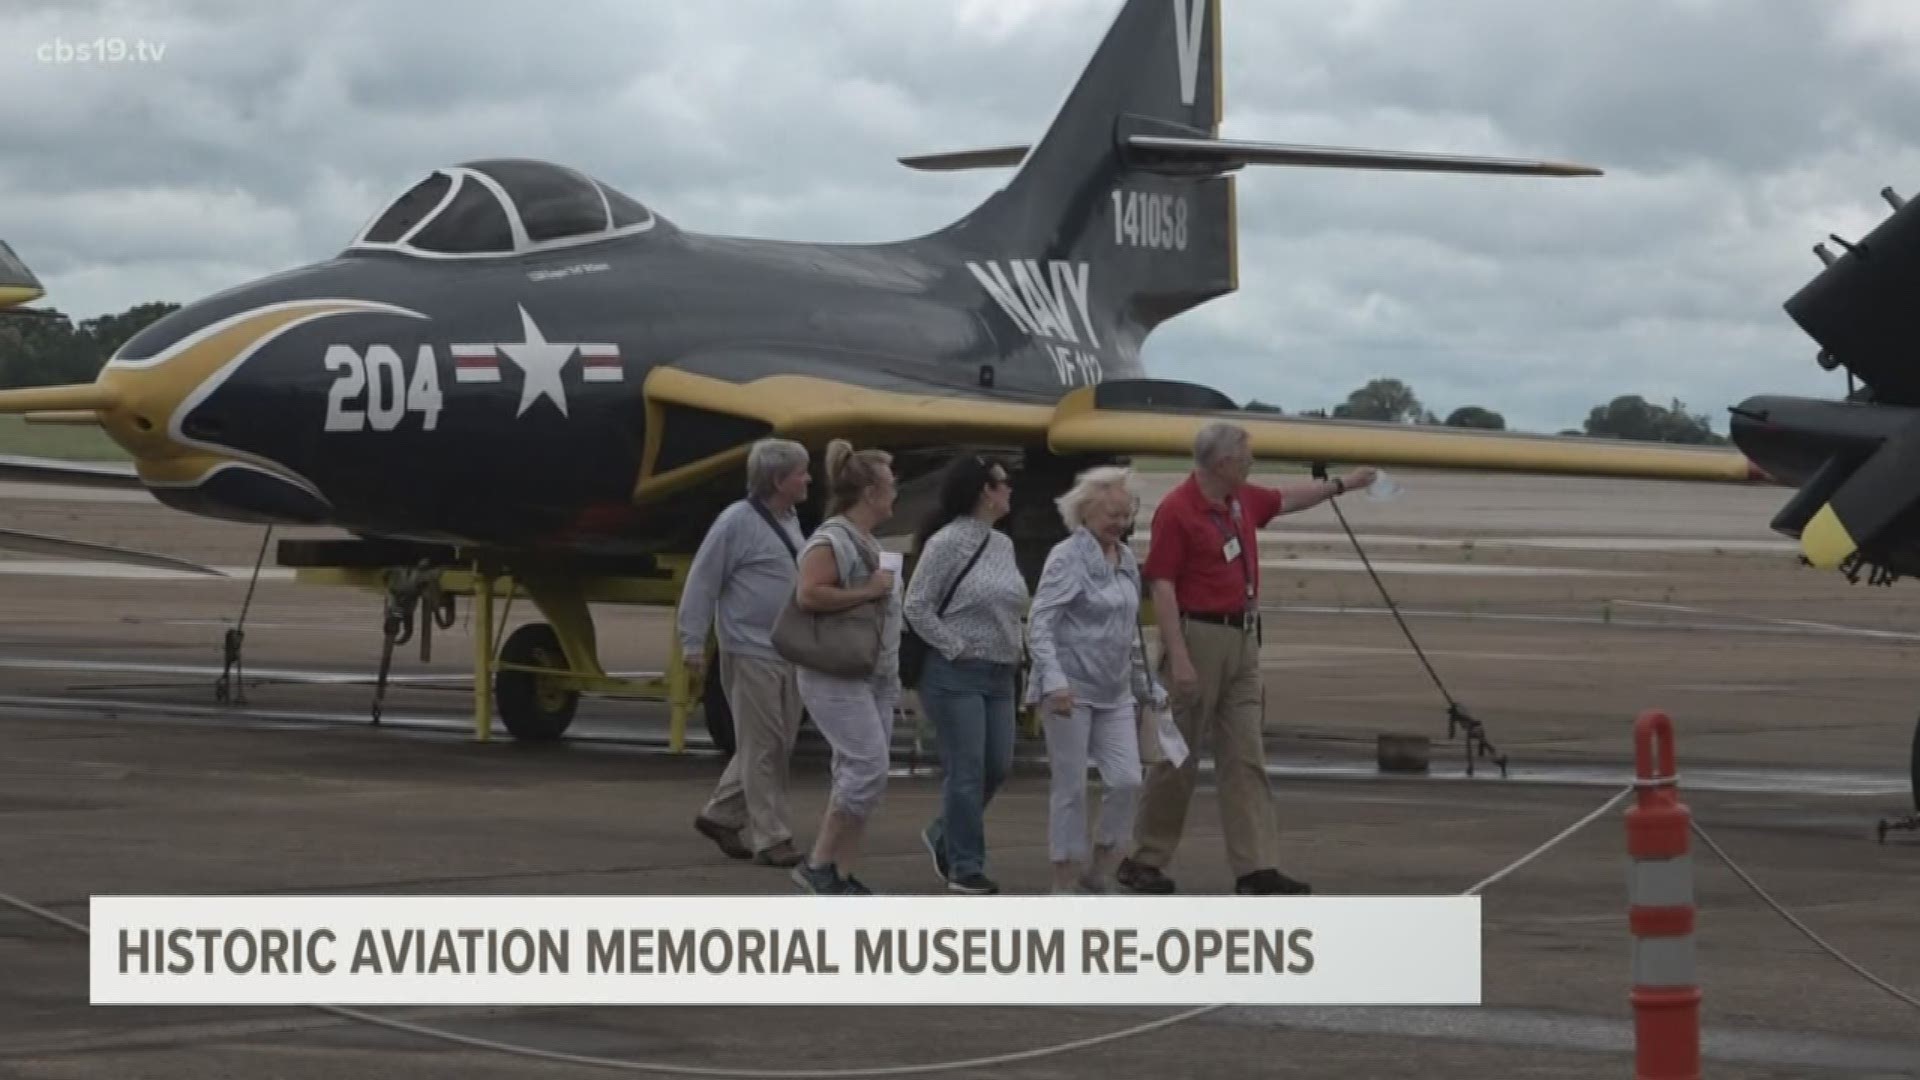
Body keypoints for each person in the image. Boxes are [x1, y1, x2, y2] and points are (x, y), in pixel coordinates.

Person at [1116, 423, 1376, 896]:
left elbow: (1287, 498)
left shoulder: (1241, 501)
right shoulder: (1178, 510)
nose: (1251, 462)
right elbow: (1163, 584)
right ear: (1222, 463)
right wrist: (1179, 658)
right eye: (1245, 456)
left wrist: (1343, 485)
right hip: (1197, 638)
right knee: (1177, 758)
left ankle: (1256, 867)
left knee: (1246, 757)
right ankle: (1145, 858)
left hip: (1243, 640)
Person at [1026, 466, 1165, 895]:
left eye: (1126, 516)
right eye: (1112, 517)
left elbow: (1130, 634)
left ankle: (1099, 868)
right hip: (1070, 691)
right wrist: (1054, 682)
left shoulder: (1125, 561)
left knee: (1127, 780)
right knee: (1070, 788)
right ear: (1085, 514)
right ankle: (1063, 880)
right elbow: (1041, 623)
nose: (1120, 525)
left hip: (1116, 691)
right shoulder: (1066, 558)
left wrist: (1147, 687)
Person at [680, 438, 811, 868]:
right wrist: (692, 642)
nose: (808, 478)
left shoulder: (791, 519)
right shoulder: (735, 523)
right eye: (800, 472)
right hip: (750, 649)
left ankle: (720, 814)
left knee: (775, 743)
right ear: (778, 479)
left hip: (787, 650)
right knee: (763, 746)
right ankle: (771, 836)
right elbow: (703, 582)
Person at [903, 454, 1028, 895]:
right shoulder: (947, 542)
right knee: (968, 769)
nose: (1009, 488)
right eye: (1001, 482)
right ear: (983, 491)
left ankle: (944, 833)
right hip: (955, 673)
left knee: (998, 765)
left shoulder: (1002, 544)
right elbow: (915, 604)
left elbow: (1012, 606)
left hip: (1000, 674)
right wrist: (955, 646)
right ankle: (965, 866)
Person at [788, 439, 902, 895]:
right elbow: (808, 593)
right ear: (870, 493)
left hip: (872, 673)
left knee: (860, 773)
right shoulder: (831, 539)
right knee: (867, 766)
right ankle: (818, 863)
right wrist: (869, 591)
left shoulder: (867, 541)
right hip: (834, 671)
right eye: (891, 485)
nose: (897, 492)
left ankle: (841, 870)